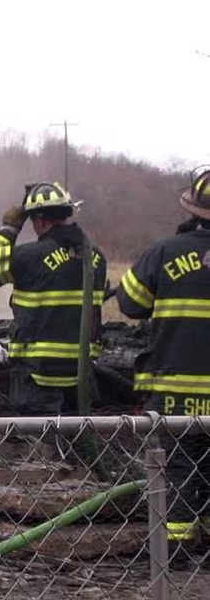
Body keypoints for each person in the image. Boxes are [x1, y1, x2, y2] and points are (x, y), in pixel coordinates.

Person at [116, 169, 210, 558]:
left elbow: (129, 304)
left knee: (179, 472)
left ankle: (176, 555)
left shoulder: (165, 251)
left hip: (176, 395)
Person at [0, 181, 106, 416]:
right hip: (81, 375)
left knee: (37, 445)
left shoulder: (30, 257)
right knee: (76, 442)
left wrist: (10, 227)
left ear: (39, 220)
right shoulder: (96, 257)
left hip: (38, 377)